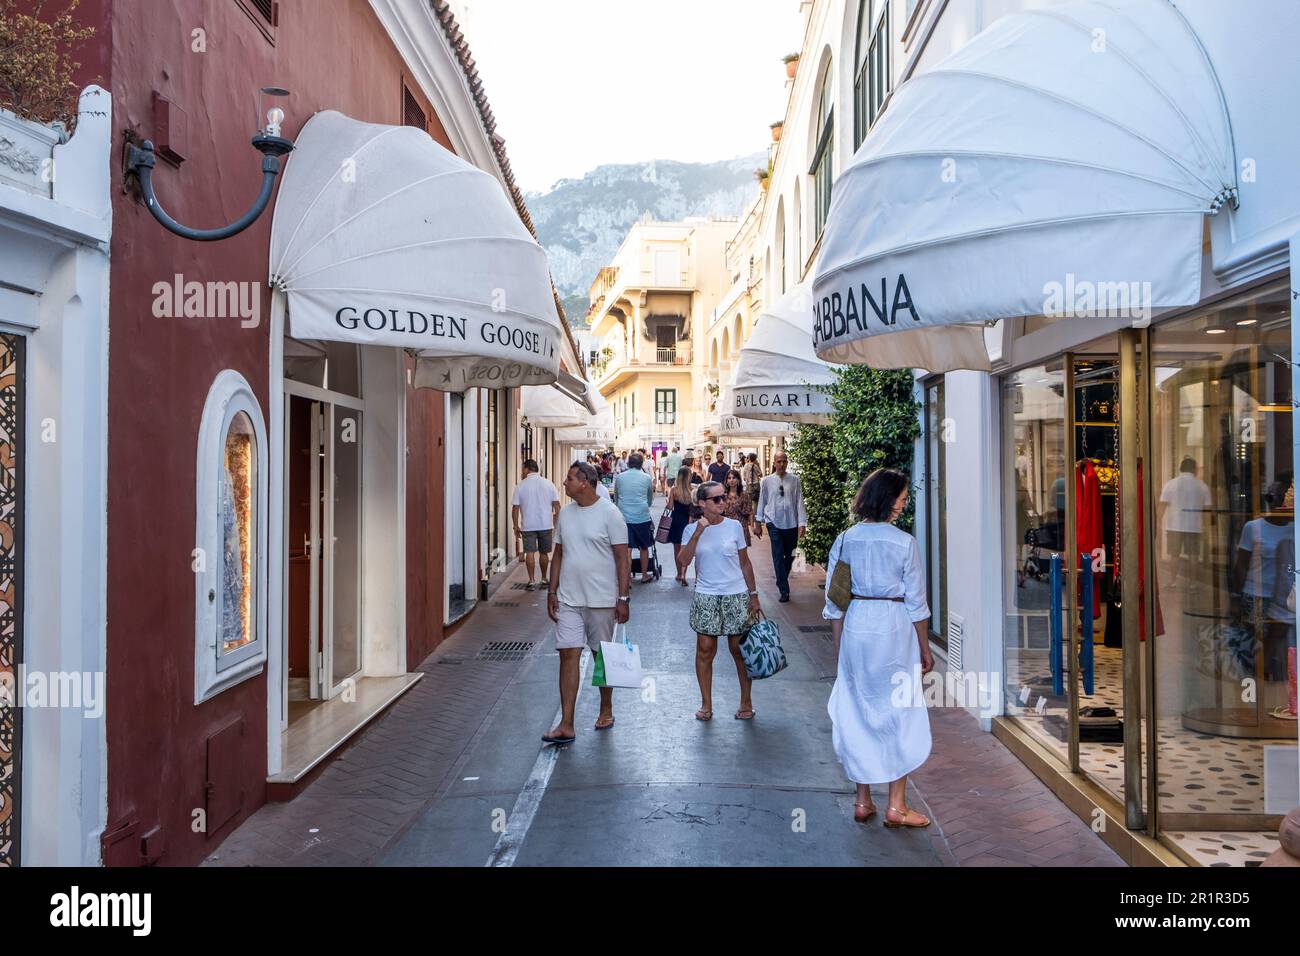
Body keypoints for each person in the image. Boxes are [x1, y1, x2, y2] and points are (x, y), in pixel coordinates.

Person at [823, 467, 935, 828]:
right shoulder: (904, 543)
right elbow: (917, 603)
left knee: (858, 709)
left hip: (858, 624)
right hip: (895, 626)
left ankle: (862, 800)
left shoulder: (845, 540)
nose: (904, 504)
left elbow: (836, 599)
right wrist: (925, 648)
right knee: (898, 710)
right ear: (889, 500)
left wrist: (840, 647)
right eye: (902, 498)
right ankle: (897, 805)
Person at [544, 461, 632, 743]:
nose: (565, 482)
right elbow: (558, 553)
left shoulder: (611, 514)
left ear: (585, 482)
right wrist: (551, 590)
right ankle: (566, 723)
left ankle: (606, 707)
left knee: (600, 657)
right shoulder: (565, 515)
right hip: (569, 599)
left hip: (602, 600)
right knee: (567, 654)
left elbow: (622, 558)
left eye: (569, 478)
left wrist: (623, 597)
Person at [677, 481, 762, 721]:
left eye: (723, 497)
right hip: (706, 594)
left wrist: (754, 595)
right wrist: (697, 532)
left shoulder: (734, 527)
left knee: (739, 650)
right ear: (702, 503)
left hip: (736, 594)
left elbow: (745, 562)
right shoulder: (691, 530)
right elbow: (683, 561)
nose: (723, 502)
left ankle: (746, 702)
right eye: (716, 499)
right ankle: (706, 704)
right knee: (705, 650)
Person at [754, 450, 807, 602]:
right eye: (779, 461)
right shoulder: (767, 481)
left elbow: (799, 501)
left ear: (787, 463)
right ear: (774, 463)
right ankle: (784, 590)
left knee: (790, 555)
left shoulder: (795, 480)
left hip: (791, 522)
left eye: (784, 461)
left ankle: (781, 577)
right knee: (777, 555)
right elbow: (762, 501)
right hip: (773, 522)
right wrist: (758, 522)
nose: (782, 464)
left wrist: (802, 523)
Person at [1158, 456, 1212, 587]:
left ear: (1180, 468)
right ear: (1194, 469)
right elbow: (1207, 510)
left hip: (1174, 526)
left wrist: (1158, 522)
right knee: (1194, 555)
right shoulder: (1202, 486)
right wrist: (1207, 527)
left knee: (1174, 555)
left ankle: (1173, 581)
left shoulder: (1170, 484)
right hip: (1194, 526)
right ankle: (1193, 582)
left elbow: (1162, 506)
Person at [511, 459, 561, 591]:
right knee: (544, 553)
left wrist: (515, 526)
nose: (522, 471)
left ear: (527, 469)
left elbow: (515, 509)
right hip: (545, 524)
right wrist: (557, 521)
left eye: (522, 468)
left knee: (530, 553)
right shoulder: (549, 484)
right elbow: (557, 506)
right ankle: (544, 578)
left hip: (528, 525)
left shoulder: (520, 486)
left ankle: (532, 580)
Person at [614, 452, 657, 585]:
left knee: (627, 548)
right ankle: (644, 575)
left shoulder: (620, 477)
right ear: (641, 464)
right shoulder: (646, 478)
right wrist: (646, 504)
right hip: (642, 516)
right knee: (644, 547)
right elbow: (650, 498)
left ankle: (627, 579)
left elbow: (616, 496)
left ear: (628, 463)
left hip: (624, 517)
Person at [667, 466, 700, 586]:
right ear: (688, 477)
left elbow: (670, 507)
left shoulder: (674, 490)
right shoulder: (693, 490)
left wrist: (670, 501)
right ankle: (685, 573)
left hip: (676, 521)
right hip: (689, 521)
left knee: (677, 550)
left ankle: (679, 574)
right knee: (688, 548)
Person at [722, 468, 754, 546]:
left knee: (742, 554)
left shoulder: (744, 495)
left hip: (741, 526)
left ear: (738, 480)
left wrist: (752, 527)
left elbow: (750, 512)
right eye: (729, 478)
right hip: (727, 527)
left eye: (734, 478)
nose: (731, 480)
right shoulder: (723, 496)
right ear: (726, 481)